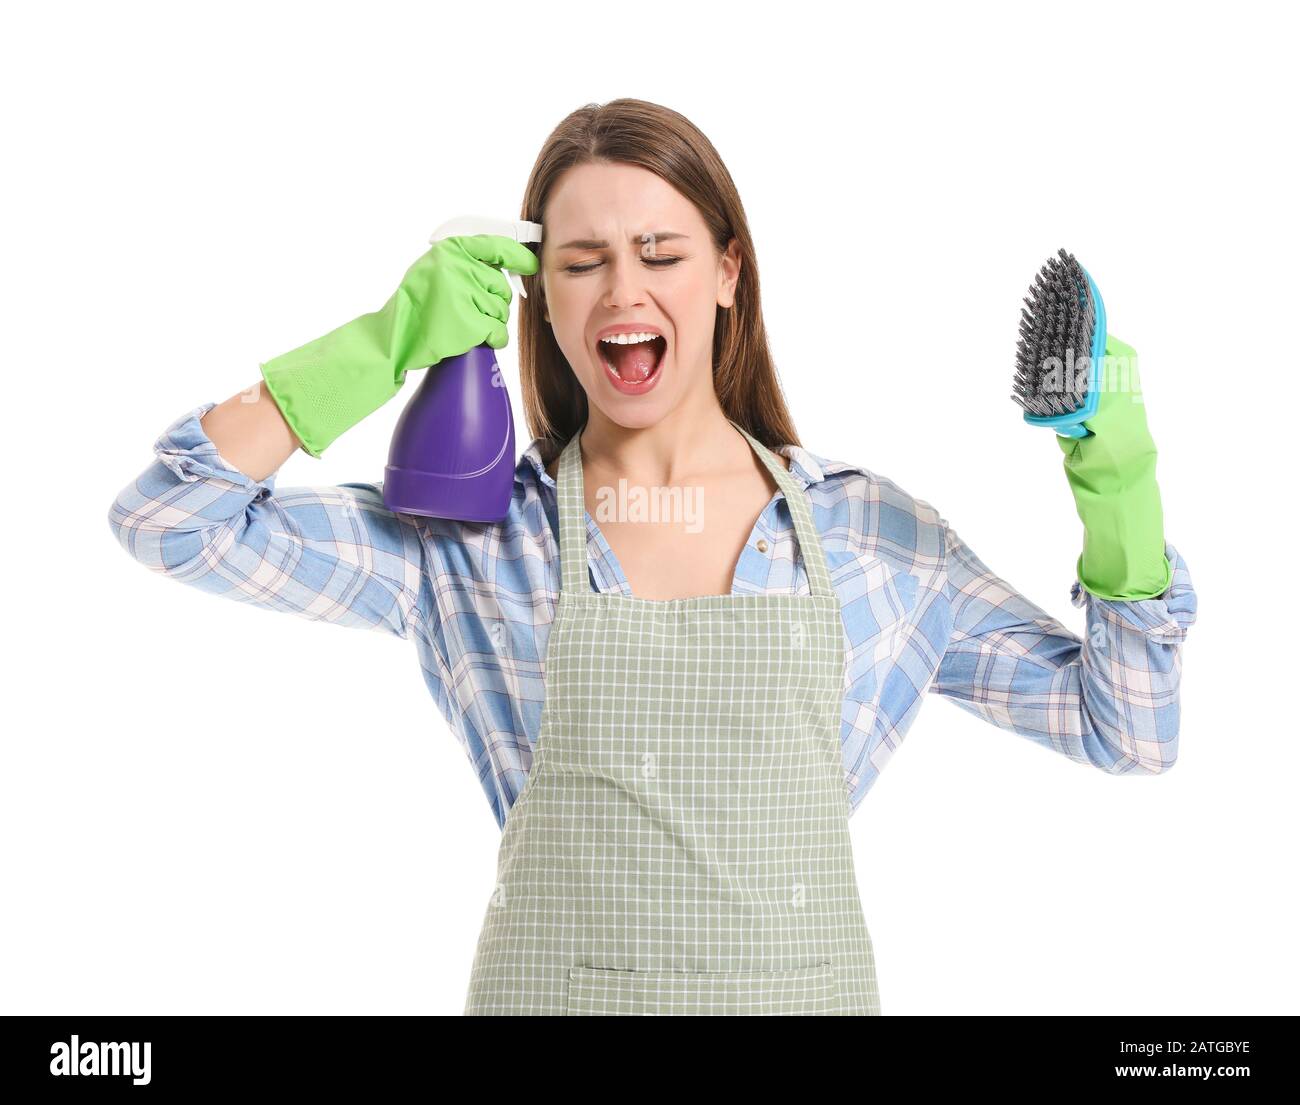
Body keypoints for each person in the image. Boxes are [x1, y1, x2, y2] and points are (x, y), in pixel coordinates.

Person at [107, 98, 1198, 1016]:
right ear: (540, 298)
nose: (623, 290)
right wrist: (384, 342)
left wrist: (1118, 472)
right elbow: (172, 517)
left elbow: (1126, 729)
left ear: (727, 273)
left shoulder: (873, 538)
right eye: (582, 262)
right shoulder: (474, 541)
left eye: (660, 253)